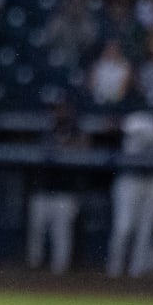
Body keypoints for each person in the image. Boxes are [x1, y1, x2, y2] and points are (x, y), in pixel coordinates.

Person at [106, 100, 153, 278]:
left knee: (146, 230)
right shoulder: (140, 121)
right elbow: (112, 126)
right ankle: (113, 271)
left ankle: (136, 273)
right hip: (129, 179)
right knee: (123, 227)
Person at [27, 99, 90, 274]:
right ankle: (34, 267)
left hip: (66, 191)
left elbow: (84, 150)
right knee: (36, 231)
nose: (59, 114)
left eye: (62, 110)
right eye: (56, 110)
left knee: (61, 234)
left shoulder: (77, 132)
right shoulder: (45, 132)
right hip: (43, 189)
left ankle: (59, 273)